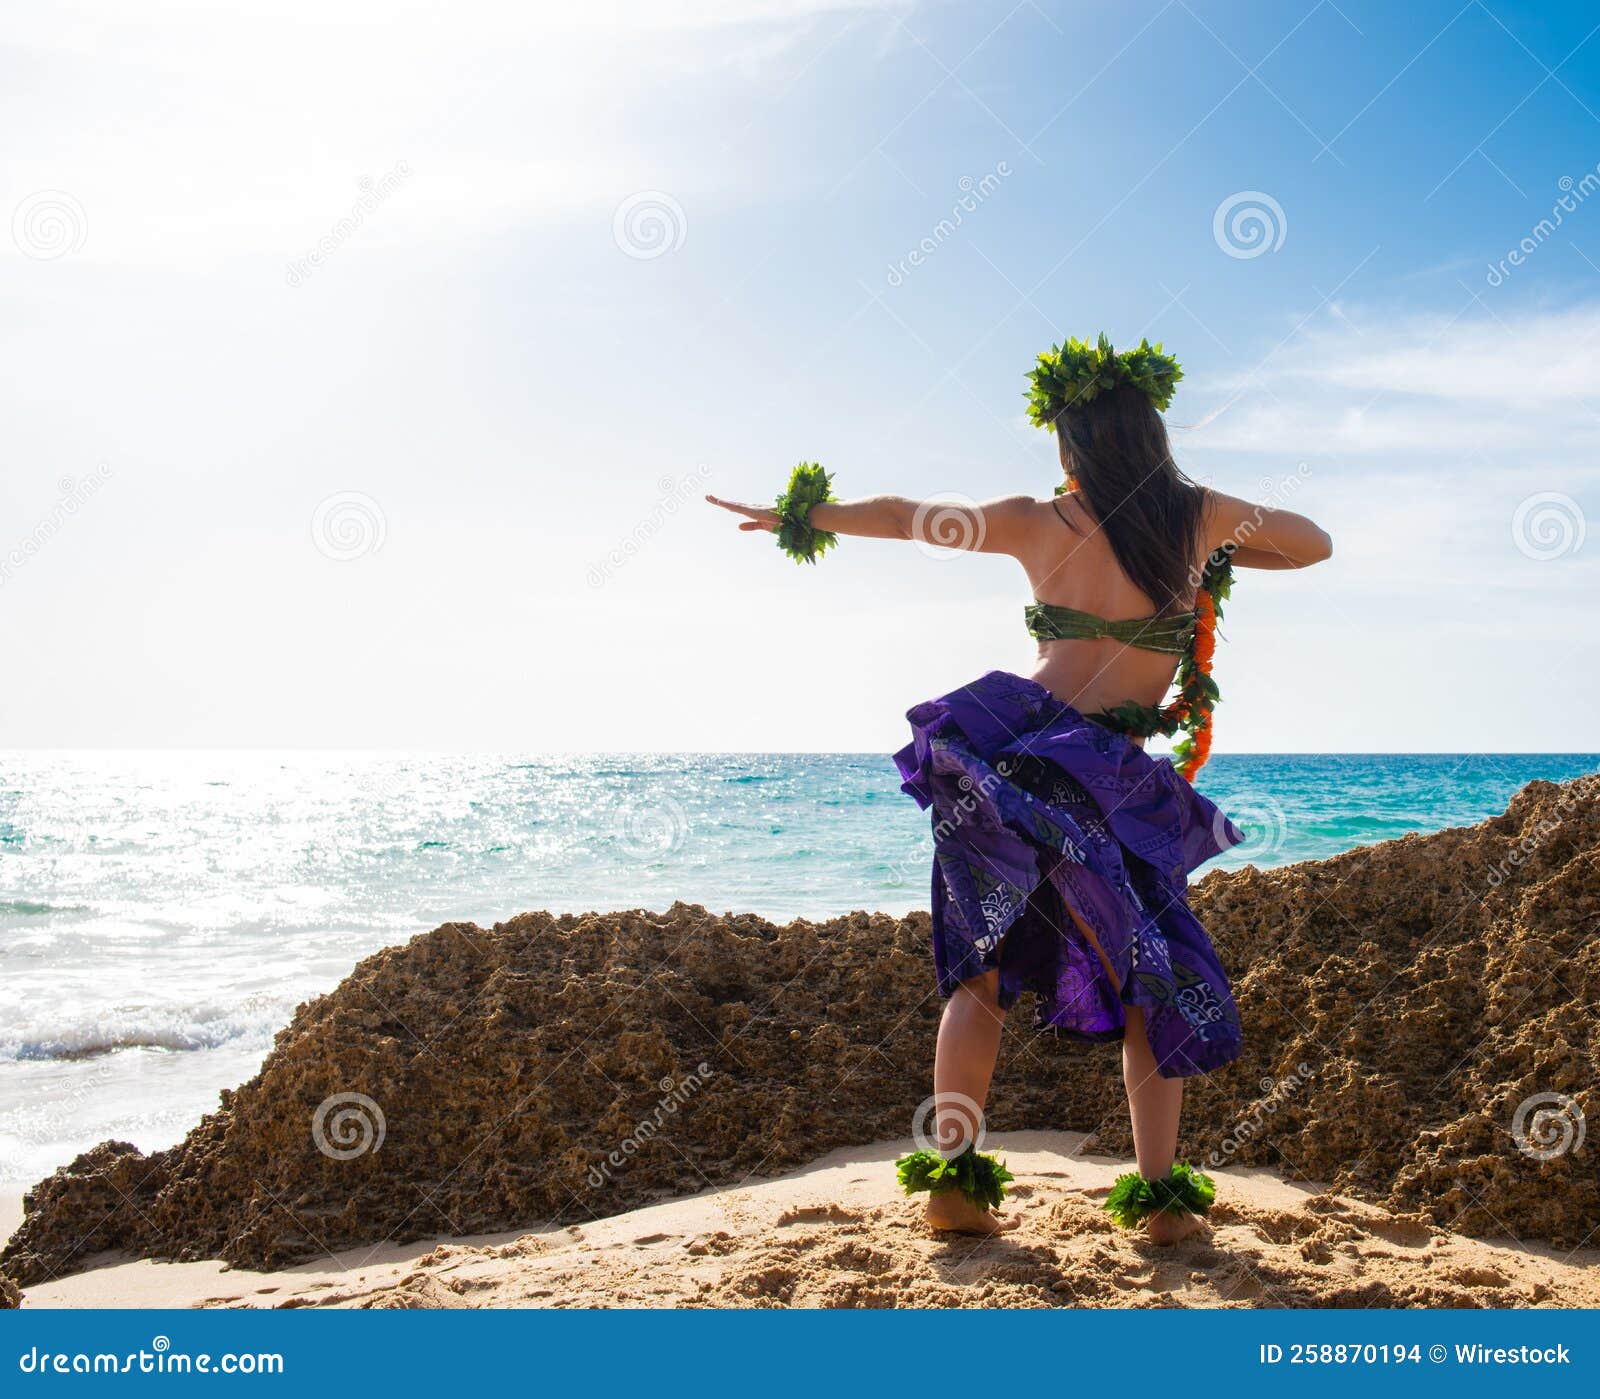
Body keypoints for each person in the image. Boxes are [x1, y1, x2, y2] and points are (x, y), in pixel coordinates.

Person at [708, 335, 1332, 1244]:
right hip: (1106, 779)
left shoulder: (1040, 520)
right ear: (1152, 437)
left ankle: (954, 1187)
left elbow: (909, 517)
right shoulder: (1194, 517)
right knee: (1151, 977)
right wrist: (1218, 548)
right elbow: (1312, 544)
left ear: (1072, 445)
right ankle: (1160, 1204)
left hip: (1007, 757)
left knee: (982, 973)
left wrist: (804, 515)